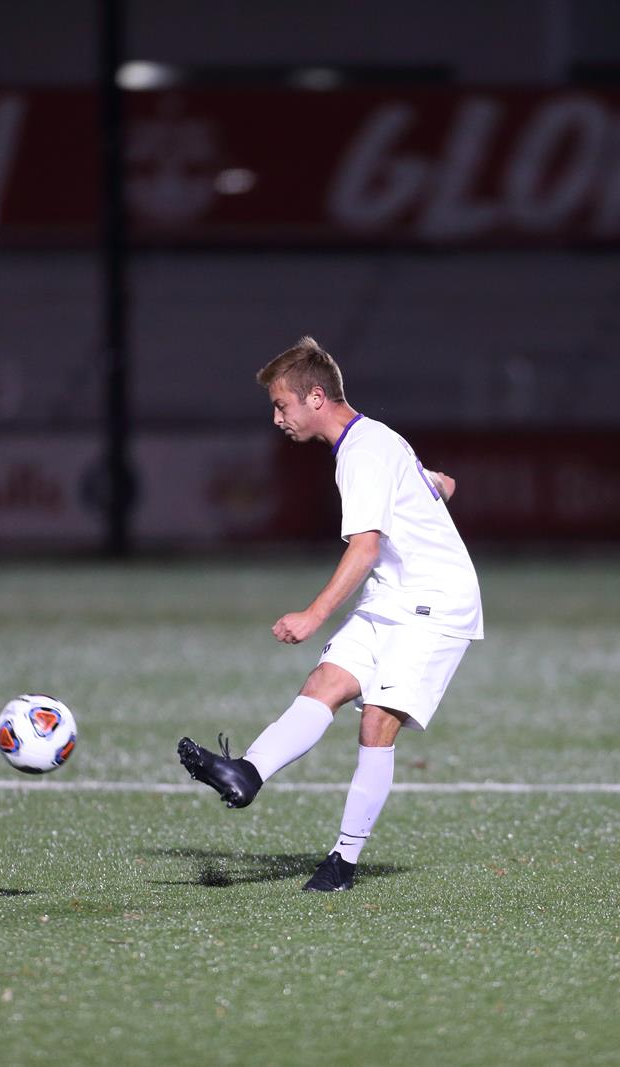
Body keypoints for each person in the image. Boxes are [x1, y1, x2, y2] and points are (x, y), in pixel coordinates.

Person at [178, 336, 484, 892]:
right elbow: (443, 484)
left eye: (281, 404)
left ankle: (342, 863)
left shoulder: (362, 452)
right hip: (395, 594)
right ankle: (246, 773)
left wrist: (313, 616)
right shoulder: (370, 441)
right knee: (326, 683)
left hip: (436, 601)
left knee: (375, 722)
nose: (277, 418)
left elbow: (364, 548)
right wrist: (430, 482)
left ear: (316, 398)